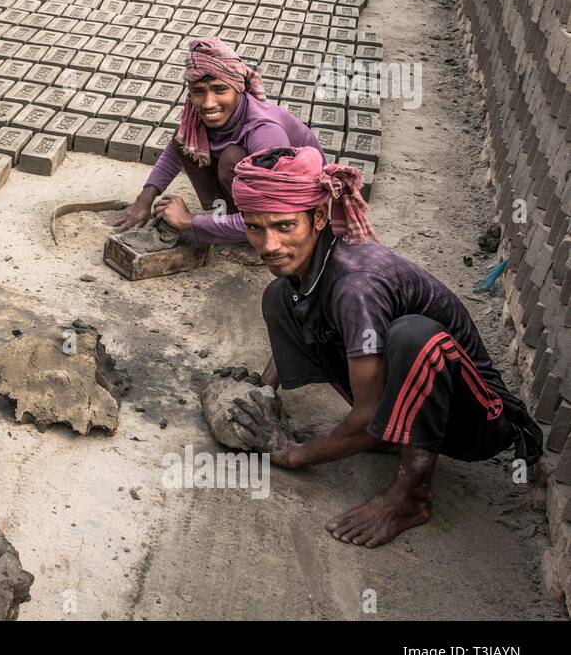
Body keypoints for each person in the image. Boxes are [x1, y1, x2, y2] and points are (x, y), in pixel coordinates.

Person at [226, 146, 543, 547]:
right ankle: (383, 435)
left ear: (319, 218)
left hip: (476, 422)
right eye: (256, 228)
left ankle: (411, 496)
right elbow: (301, 312)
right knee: (279, 298)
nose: (269, 244)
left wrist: (290, 452)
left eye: (284, 226)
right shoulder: (315, 266)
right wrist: (260, 389)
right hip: (411, 404)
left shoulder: (356, 285)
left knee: (413, 336)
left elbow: (369, 407)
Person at [111, 37, 322, 258]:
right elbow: (175, 153)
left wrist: (190, 221)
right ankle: (227, 217)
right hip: (264, 197)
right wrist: (144, 200)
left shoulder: (263, 130)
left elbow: (275, 214)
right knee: (188, 141)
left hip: (295, 206)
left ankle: (248, 236)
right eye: (198, 91)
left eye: (219, 89)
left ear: (238, 88)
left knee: (232, 157)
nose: (208, 103)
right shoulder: (196, 115)